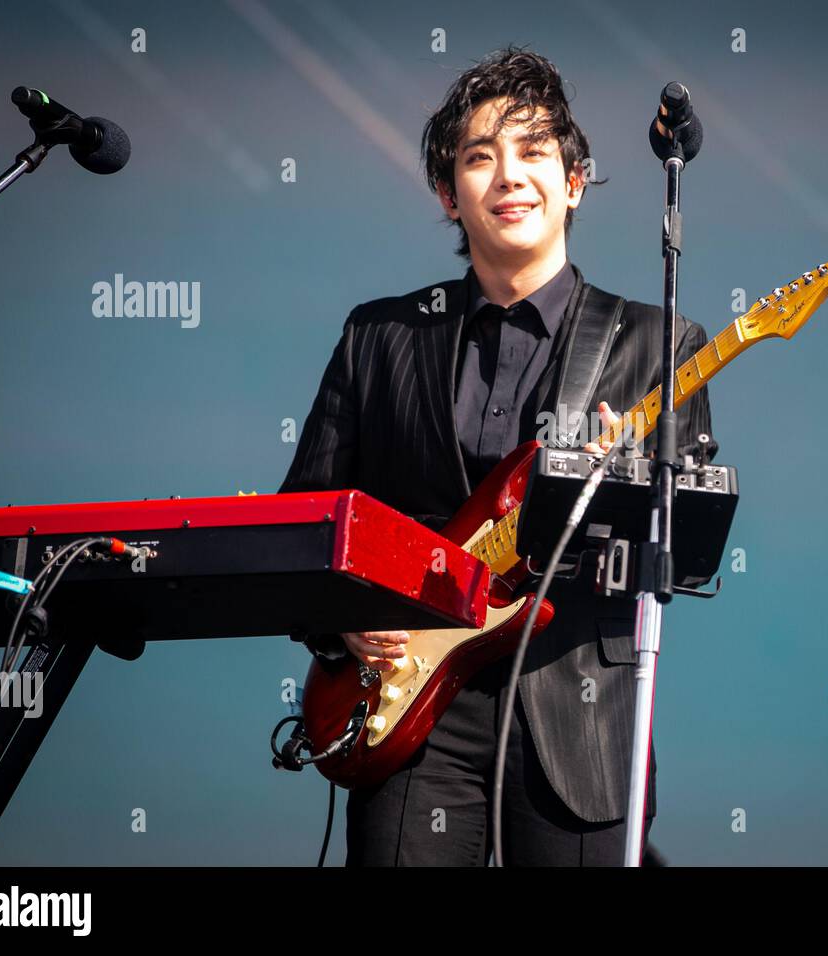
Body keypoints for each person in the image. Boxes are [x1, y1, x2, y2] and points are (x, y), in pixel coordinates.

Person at [279, 45, 717, 865]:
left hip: (578, 718)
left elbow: (680, 544)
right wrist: (346, 623)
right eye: (480, 158)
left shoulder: (658, 345)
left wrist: (614, 484)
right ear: (449, 195)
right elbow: (305, 521)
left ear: (575, 180)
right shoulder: (379, 337)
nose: (509, 175)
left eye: (535, 152)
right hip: (407, 716)